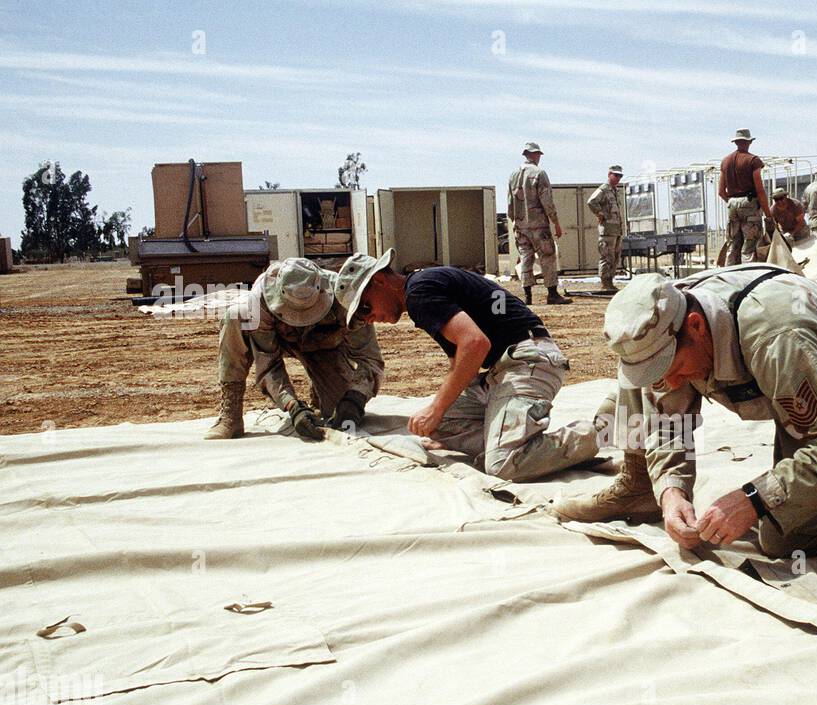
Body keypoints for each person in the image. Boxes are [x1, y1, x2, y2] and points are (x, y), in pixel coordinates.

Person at [551, 266, 817, 558]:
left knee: (788, 538)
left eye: (669, 365)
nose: (672, 383)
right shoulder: (666, 320)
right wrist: (671, 491)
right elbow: (666, 417)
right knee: (633, 388)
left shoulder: (777, 339)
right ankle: (639, 484)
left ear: (695, 325)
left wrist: (756, 499)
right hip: (783, 379)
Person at [334, 250, 602, 481]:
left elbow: (475, 345)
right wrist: (438, 411)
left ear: (379, 280)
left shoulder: (419, 293)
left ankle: (595, 434)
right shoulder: (423, 287)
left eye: (364, 307)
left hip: (529, 362)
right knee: (435, 424)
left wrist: (436, 408)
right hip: (506, 367)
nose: (367, 319)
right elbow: (460, 362)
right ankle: (511, 440)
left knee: (502, 466)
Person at [204, 257, 383, 441]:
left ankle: (319, 397)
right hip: (278, 341)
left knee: (338, 412)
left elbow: (369, 359)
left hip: (322, 346)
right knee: (235, 316)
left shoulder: (343, 295)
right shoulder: (260, 301)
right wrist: (292, 405)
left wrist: (355, 398)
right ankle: (230, 416)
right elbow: (268, 364)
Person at [508, 142, 571, 305]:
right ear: (535, 155)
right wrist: (555, 222)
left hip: (520, 225)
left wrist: (515, 221)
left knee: (525, 258)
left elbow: (509, 204)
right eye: (539, 155)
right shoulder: (539, 173)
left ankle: (528, 296)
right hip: (538, 225)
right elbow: (547, 201)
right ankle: (552, 294)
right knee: (547, 256)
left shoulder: (513, 175)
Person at [718, 129, 773, 265]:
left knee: (733, 245)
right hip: (749, 203)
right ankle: (749, 277)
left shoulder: (725, 162)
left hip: (732, 203)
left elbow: (721, 191)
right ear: (749, 142)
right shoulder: (753, 161)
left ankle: (728, 276)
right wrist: (768, 215)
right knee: (750, 246)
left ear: (736, 142)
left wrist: (732, 203)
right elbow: (760, 190)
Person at [587, 164, 625, 292]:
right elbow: (591, 201)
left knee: (614, 257)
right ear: (609, 175)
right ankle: (605, 283)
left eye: (620, 176)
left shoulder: (615, 191)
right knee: (607, 257)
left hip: (616, 230)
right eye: (616, 175)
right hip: (607, 230)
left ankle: (610, 282)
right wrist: (600, 213)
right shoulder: (603, 189)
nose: (618, 178)